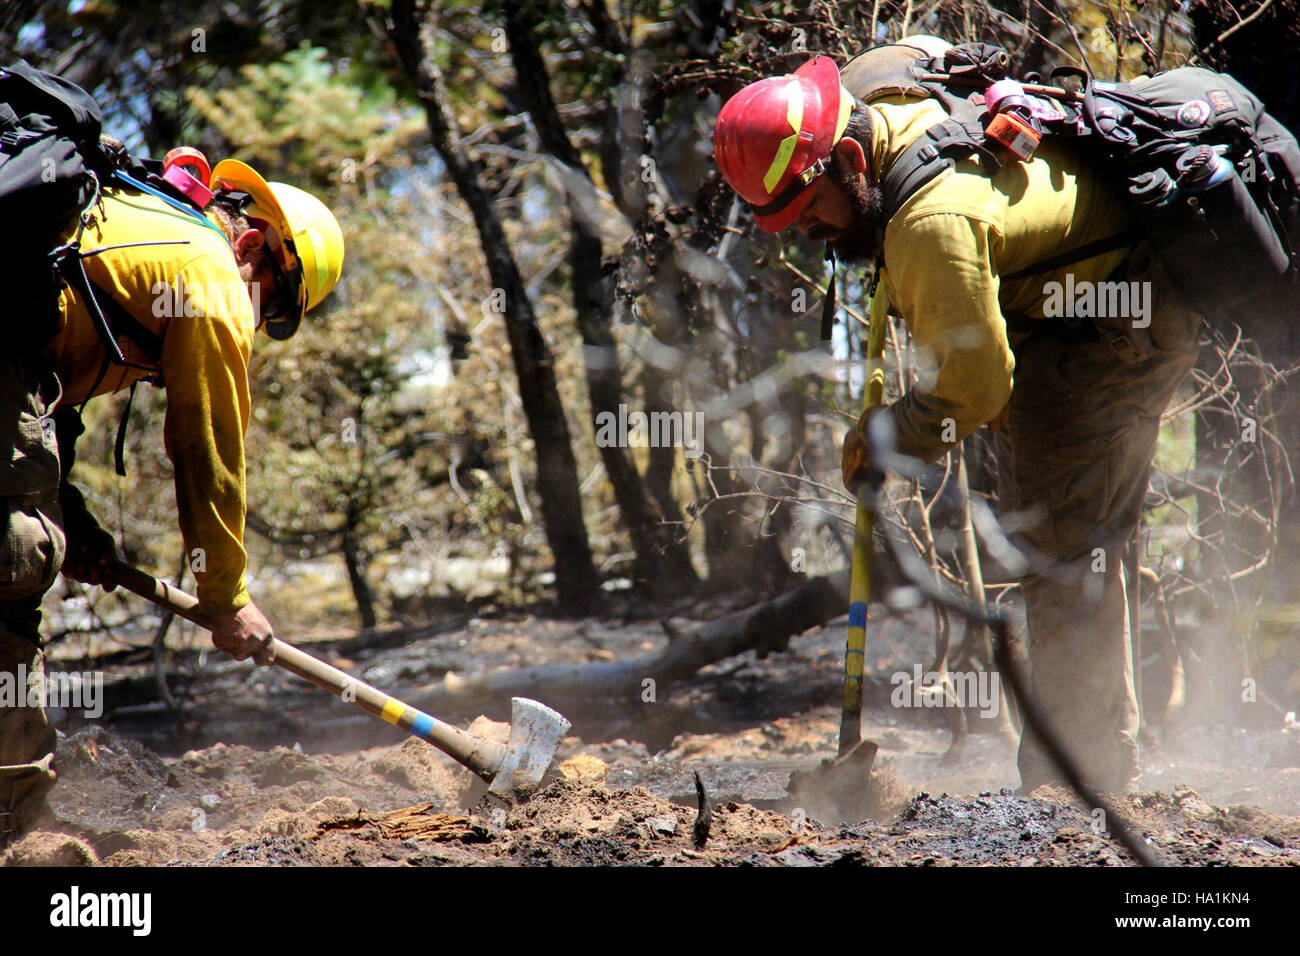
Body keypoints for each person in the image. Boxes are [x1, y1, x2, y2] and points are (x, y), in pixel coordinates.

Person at [712, 38, 1208, 793]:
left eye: (810, 209)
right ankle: (1090, 763)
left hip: (1117, 320)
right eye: (787, 222)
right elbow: (920, 50)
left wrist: (890, 436)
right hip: (1070, 302)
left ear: (849, 157)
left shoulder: (926, 225)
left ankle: (1076, 790)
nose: (808, 234)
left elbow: (975, 391)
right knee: (1081, 540)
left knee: (1063, 547)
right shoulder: (879, 103)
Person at [0, 157, 344, 847]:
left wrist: (83, 527)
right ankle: (18, 826)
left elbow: (41, 387)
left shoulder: (148, 231)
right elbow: (206, 441)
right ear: (255, 246)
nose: (261, 321)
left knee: (33, 544)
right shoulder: (211, 271)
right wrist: (226, 595)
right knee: (17, 557)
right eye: (274, 303)